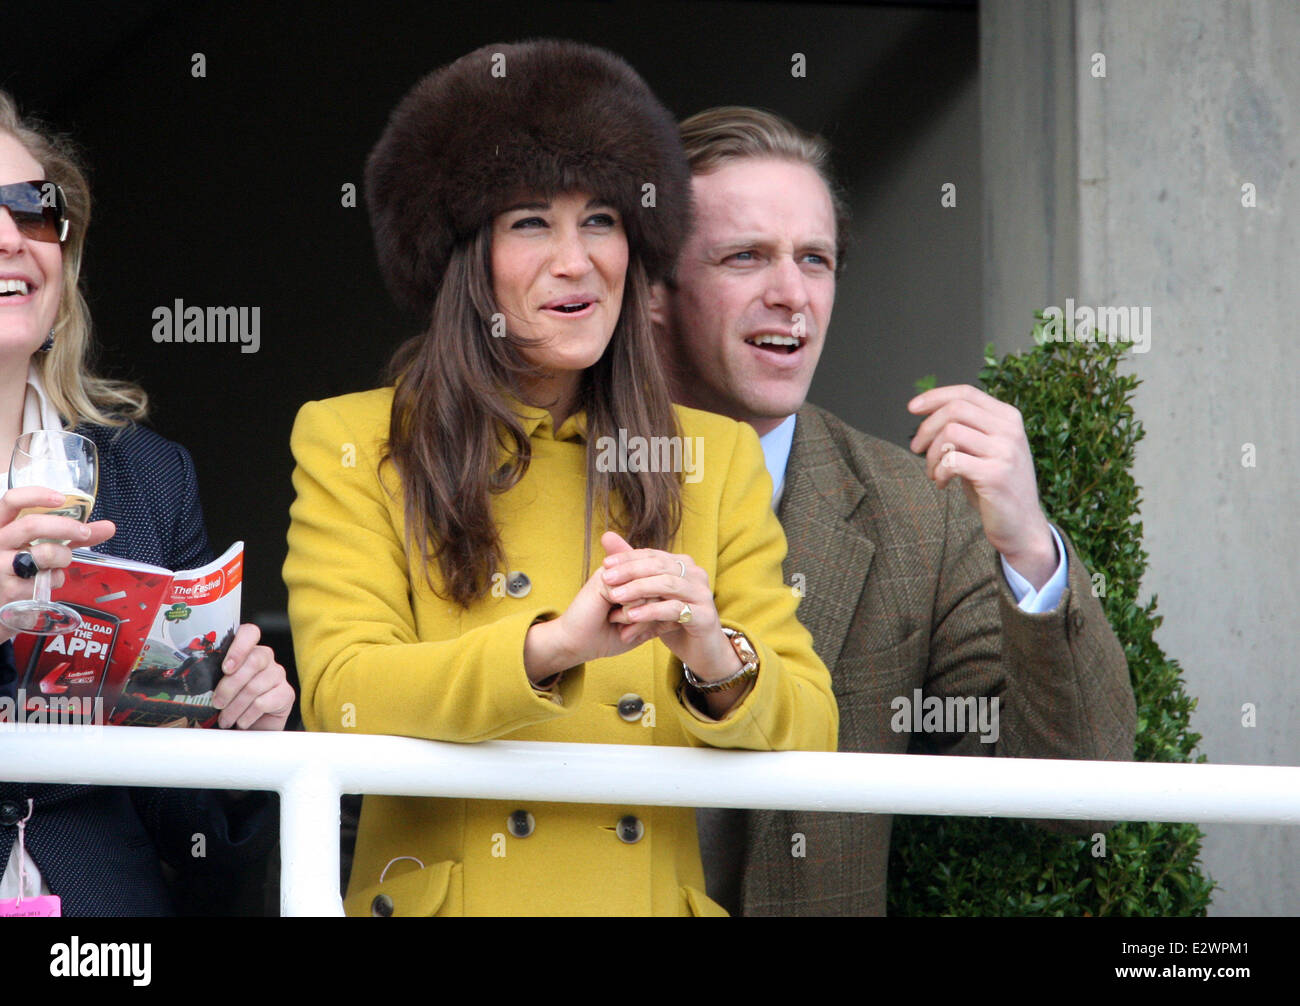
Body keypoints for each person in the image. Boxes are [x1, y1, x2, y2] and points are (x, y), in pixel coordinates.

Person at [283, 41, 836, 917]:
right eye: (532, 222)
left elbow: (813, 725)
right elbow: (343, 694)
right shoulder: (351, 437)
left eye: (602, 221)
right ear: (468, 259)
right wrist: (551, 649)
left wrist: (710, 655)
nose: (577, 261)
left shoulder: (714, 454)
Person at [652, 106, 1137, 916]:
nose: (792, 296)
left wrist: (1028, 546)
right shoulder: (545, 476)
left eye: (816, 259)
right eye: (745, 257)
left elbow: (1075, 793)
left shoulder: (918, 508)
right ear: (654, 289)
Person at [0, 91, 295, 915]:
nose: (8, 238)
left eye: (33, 210)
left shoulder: (150, 475)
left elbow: (184, 828)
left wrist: (240, 742)